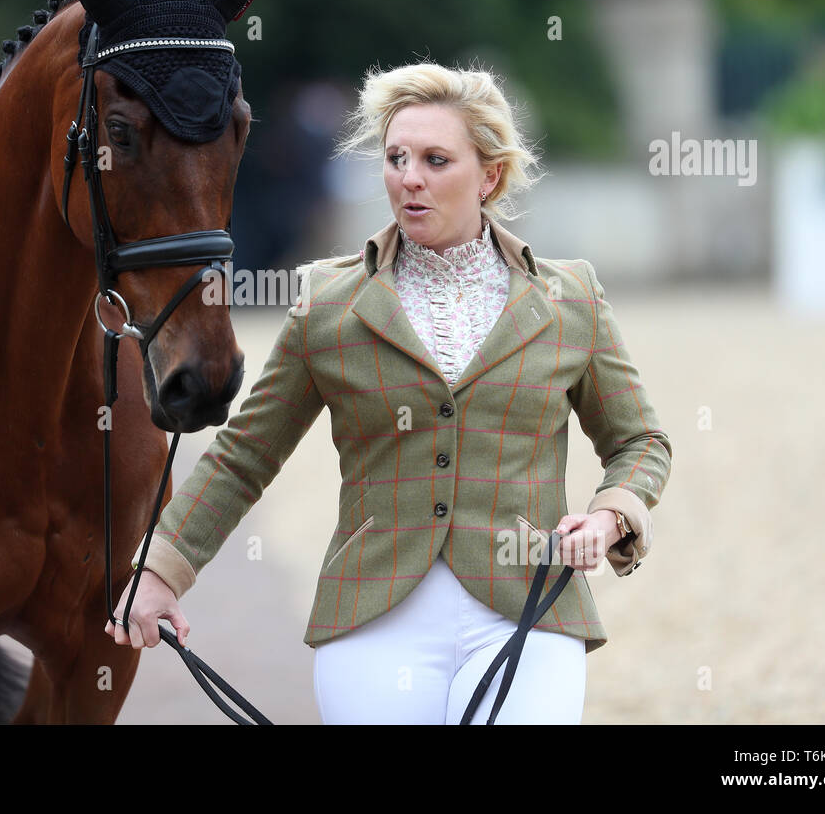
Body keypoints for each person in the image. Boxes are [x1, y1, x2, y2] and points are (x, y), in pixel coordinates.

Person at [106, 62, 673, 724]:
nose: (409, 177)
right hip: (373, 620)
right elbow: (244, 455)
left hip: (529, 610)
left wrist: (610, 517)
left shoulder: (571, 297)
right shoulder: (330, 303)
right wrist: (160, 570)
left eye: (436, 159)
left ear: (489, 175)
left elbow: (640, 440)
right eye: (397, 157)